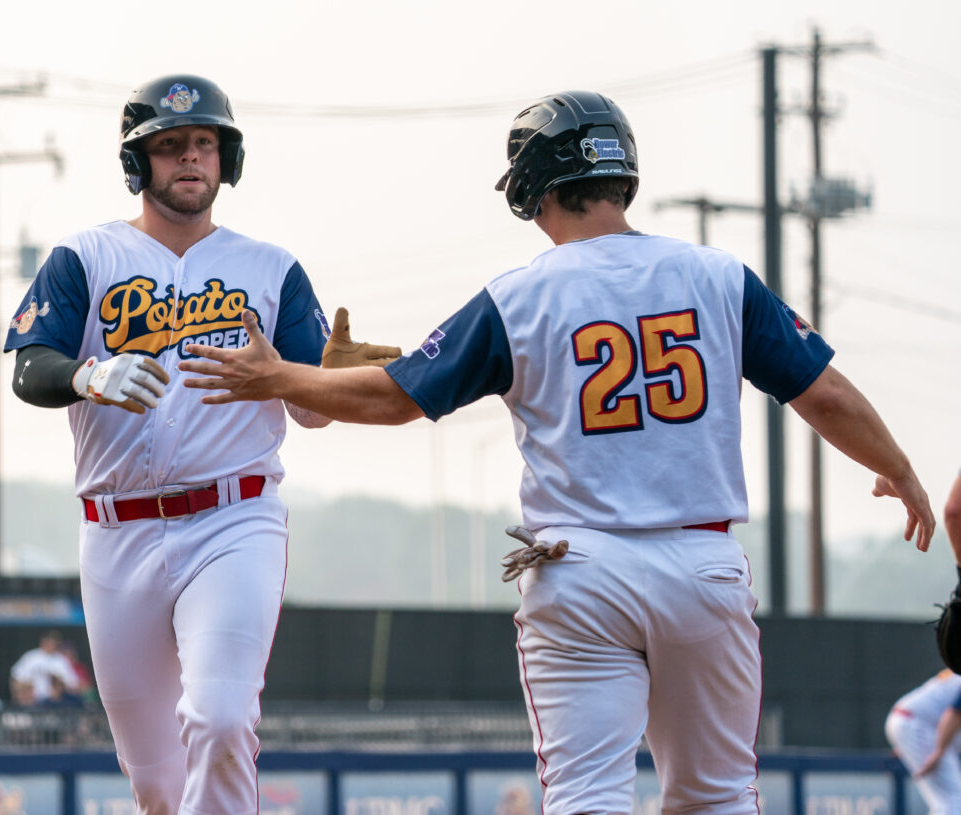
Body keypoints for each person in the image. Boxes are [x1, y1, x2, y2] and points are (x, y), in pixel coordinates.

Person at [178, 90, 936, 814]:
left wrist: (282, 376)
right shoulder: (717, 275)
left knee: (585, 795)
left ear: (536, 185)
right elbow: (825, 393)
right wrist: (898, 468)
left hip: (583, 570)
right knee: (718, 795)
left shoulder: (522, 294)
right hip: (703, 563)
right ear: (622, 171)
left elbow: (395, 397)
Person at [4, 74, 396, 815]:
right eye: (171, 145)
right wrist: (89, 373)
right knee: (156, 780)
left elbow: (315, 416)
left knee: (218, 719)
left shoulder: (269, 268)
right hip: (116, 532)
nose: (190, 158)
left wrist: (315, 378)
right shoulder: (85, 257)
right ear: (139, 163)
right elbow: (29, 367)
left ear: (226, 159)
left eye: (204, 143)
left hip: (232, 518)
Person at [886, 669, 961, 815]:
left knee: (949, 800)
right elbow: (953, 715)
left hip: (911, 721)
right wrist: (938, 751)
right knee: (953, 799)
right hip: (917, 724)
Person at [9, 630, 81, 705]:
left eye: (53, 642)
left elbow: (73, 684)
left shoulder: (61, 660)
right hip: (32, 702)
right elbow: (15, 679)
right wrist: (19, 695)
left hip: (53, 703)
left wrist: (58, 683)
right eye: (48, 641)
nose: (51, 644)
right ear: (42, 641)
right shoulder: (31, 657)